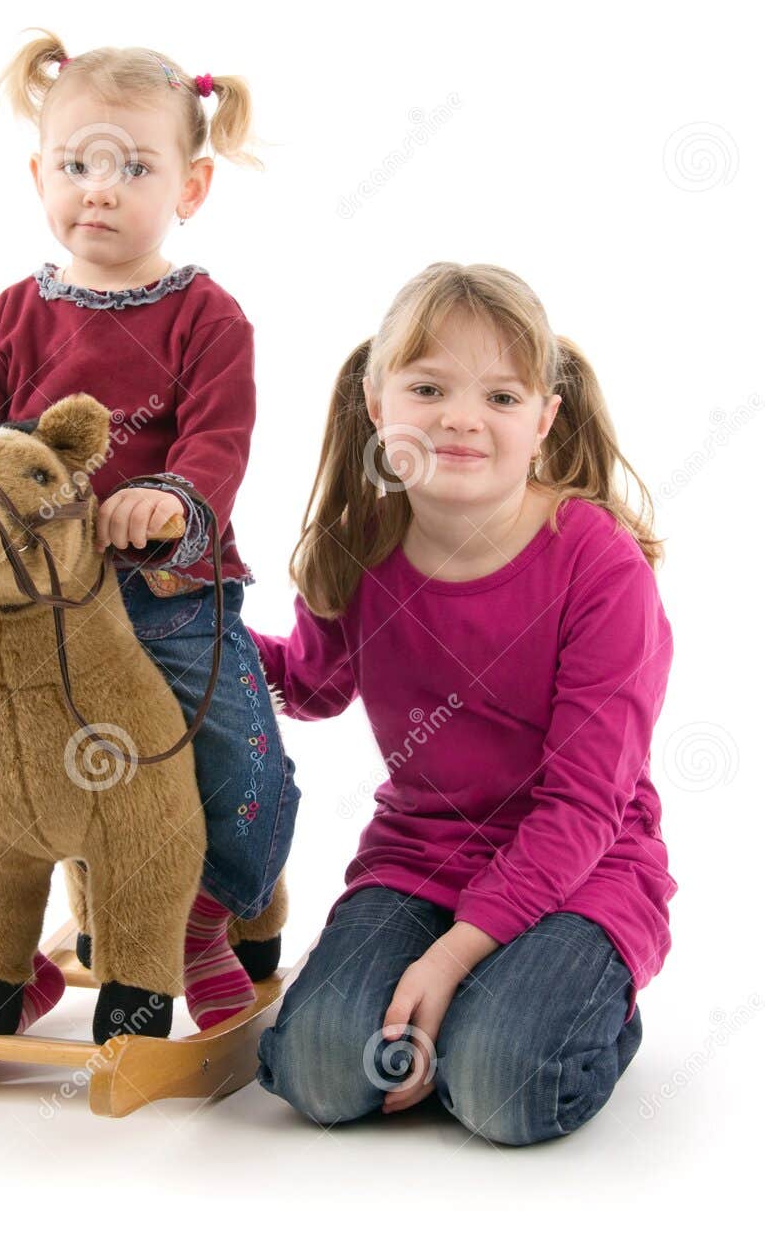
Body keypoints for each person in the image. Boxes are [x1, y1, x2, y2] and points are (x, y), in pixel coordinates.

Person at [0, 34, 300, 1051]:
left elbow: (218, 442)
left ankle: (214, 904)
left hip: (164, 594)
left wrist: (166, 500)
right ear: (38, 174)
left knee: (233, 751)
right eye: (76, 165)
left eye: (133, 167)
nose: (98, 190)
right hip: (24, 608)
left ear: (189, 186)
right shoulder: (9, 317)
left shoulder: (207, 318)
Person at [251, 261, 675, 1145]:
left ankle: (559, 1004)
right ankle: (483, 1003)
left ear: (543, 419)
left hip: (580, 870)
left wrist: (452, 957)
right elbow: (310, 683)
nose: (459, 418)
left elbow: (583, 804)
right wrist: (181, 625)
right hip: (421, 859)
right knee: (322, 1072)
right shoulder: (359, 543)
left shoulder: (598, 567)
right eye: (427, 387)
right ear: (376, 402)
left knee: (500, 1086)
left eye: (500, 397)